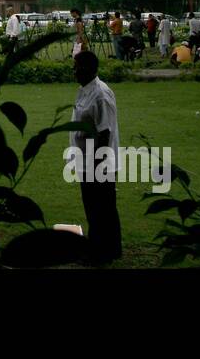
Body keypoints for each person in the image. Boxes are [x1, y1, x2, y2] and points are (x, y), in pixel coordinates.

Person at [66, 50, 122, 263]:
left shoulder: (100, 94)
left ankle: (100, 253)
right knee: (99, 207)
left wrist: (95, 166)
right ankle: (109, 248)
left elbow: (104, 132)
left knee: (100, 208)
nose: (74, 72)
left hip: (98, 162)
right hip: (87, 160)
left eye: (76, 68)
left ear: (88, 69)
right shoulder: (85, 90)